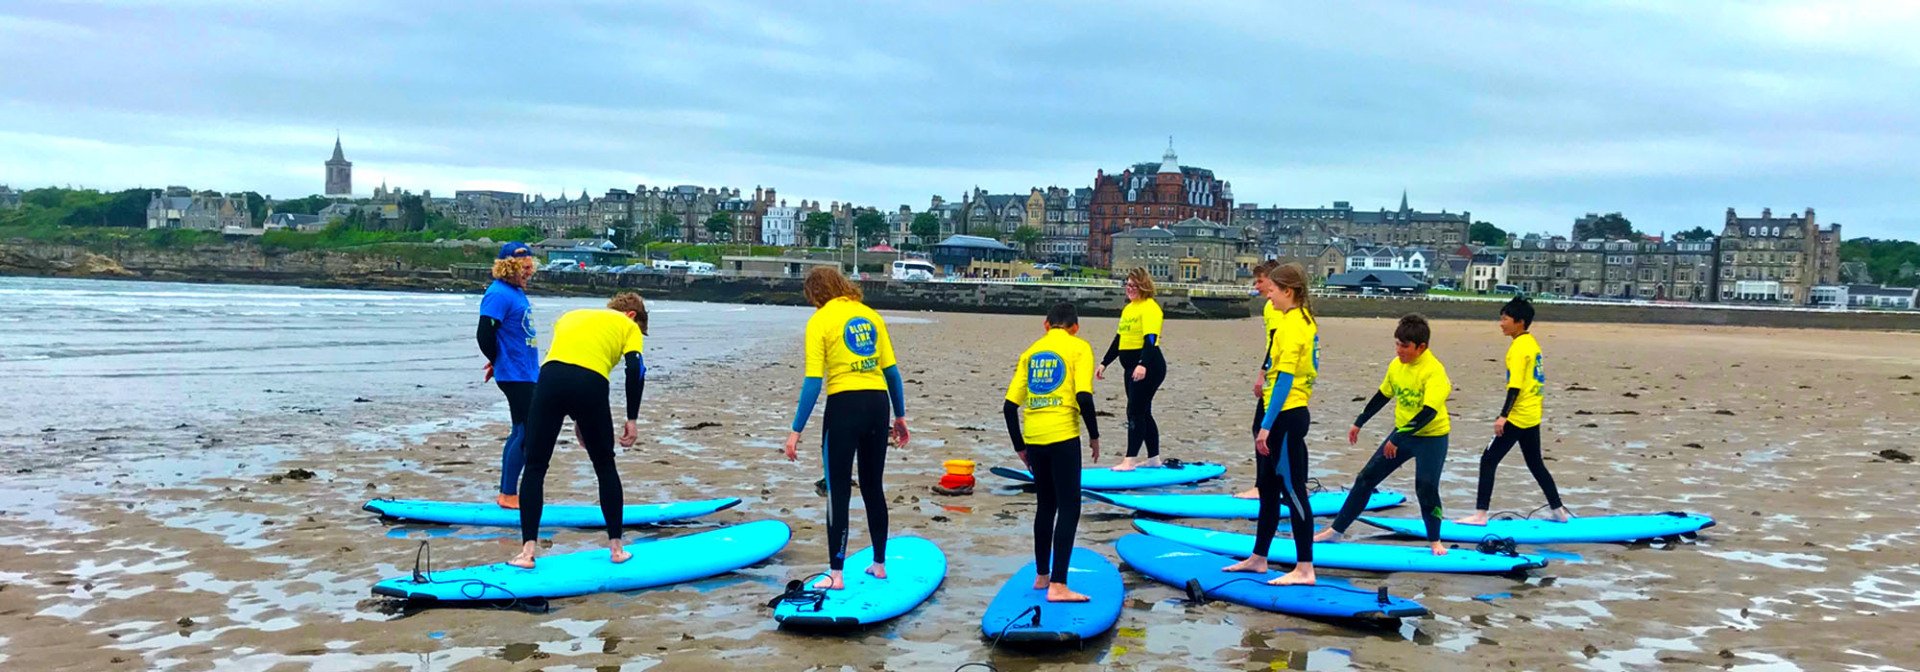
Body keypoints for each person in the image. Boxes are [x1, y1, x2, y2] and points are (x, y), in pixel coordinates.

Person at [784, 266, 911, 591]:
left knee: (838, 489)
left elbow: (813, 382)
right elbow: (893, 373)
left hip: (844, 406)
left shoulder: (820, 321)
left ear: (814, 294)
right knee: (872, 486)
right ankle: (879, 565)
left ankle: (836, 574)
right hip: (877, 403)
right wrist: (900, 416)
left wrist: (796, 430)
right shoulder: (871, 316)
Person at [508, 292, 649, 569]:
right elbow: (636, 370)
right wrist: (632, 419)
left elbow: (568, 363)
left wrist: (577, 419)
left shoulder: (570, 316)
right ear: (633, 316)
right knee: (605, 466)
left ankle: (526, 554)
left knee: (535, 466)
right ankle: (617, 550)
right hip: (591, 385)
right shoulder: (629, 326)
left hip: (548, 380)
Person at [1314, 314, 1453, 556]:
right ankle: (1336, 531)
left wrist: (1396, 439)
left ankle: (1435, 541)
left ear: (1421, 347)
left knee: (1426, 486)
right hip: (1402, 435)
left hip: (1432, 437)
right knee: (1366, 478)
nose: (1399, 350)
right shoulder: (1396, 366)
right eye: (1396, 344)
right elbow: (1383, 395)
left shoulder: (1435, 372)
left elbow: (1428, 413)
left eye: (1405, 346)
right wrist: (1359, 422)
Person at [1224, 263, 1320, 584]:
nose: (1270, 294)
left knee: (1293, 491)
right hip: (1277, 412)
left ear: (1288, 292)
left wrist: (1265, 425)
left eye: (1274, 290)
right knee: (1267, 488)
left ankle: (1305, 568)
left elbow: (1285, 380)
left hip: (1288, 415)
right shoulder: (1292, 320)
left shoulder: (1295, 326)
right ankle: (1258, 557)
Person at [1003, 302, 1102, 603]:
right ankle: (1059, 585)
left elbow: (1009, 407)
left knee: (1045, 506)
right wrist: (1094, 436)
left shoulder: (1031, 352)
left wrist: (1019, 446)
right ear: (1075, 327)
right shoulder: (1079, 347)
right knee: (1070, 506)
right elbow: (1084, 396)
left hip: (1034, 437)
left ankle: (1042, 575)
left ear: (1045, 325)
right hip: (1063, 436)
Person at [1458, 296, 1571, 525]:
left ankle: (1480, 515)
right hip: (1532, 414)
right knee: (1535, 463)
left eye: (1505, 318)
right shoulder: (1531, 343)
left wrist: (1503, 416)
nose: (1501, 323)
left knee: (1488, 460)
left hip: (1518, 416)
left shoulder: (1519, 348)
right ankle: (1559, 511)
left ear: (1519, 322)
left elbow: (1515, 387)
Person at [478, 241, 538, 510]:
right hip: (514, 374)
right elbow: (484, 333)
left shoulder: (515, 292)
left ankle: (507, 491)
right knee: (527, 432)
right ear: (507, 268)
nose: (527, 273)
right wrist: (496, 360)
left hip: (525, 372)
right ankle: (507, 494)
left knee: (520, 430)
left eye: (529, 268)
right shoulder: (499, 294)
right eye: (522, 268)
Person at [1099, 268, 1166, 472]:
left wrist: (1142, 364)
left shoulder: (1150, 308)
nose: (1129, 289)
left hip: (1149, 366)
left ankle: (1130, 460)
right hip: (1131, 367)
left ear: (1144, 286)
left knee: (1134, 412)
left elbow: (1151, 340)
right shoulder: (1129, 309)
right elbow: (1120, 338)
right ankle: (1154, 458)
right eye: (1127, 285)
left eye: (1133, 286)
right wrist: (1104, 362)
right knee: (1143, 412)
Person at [1236, 259, 1282, 499]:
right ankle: (1283, 483)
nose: (1257, 286)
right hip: (1279, 376)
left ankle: (1262, 487)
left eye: (1260, 281)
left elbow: (1275, 345)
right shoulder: (1280, 306)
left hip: (1276, 377)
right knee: (1279, 432)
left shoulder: (1273, 307)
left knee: (1261, 428)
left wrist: (1261, 375)